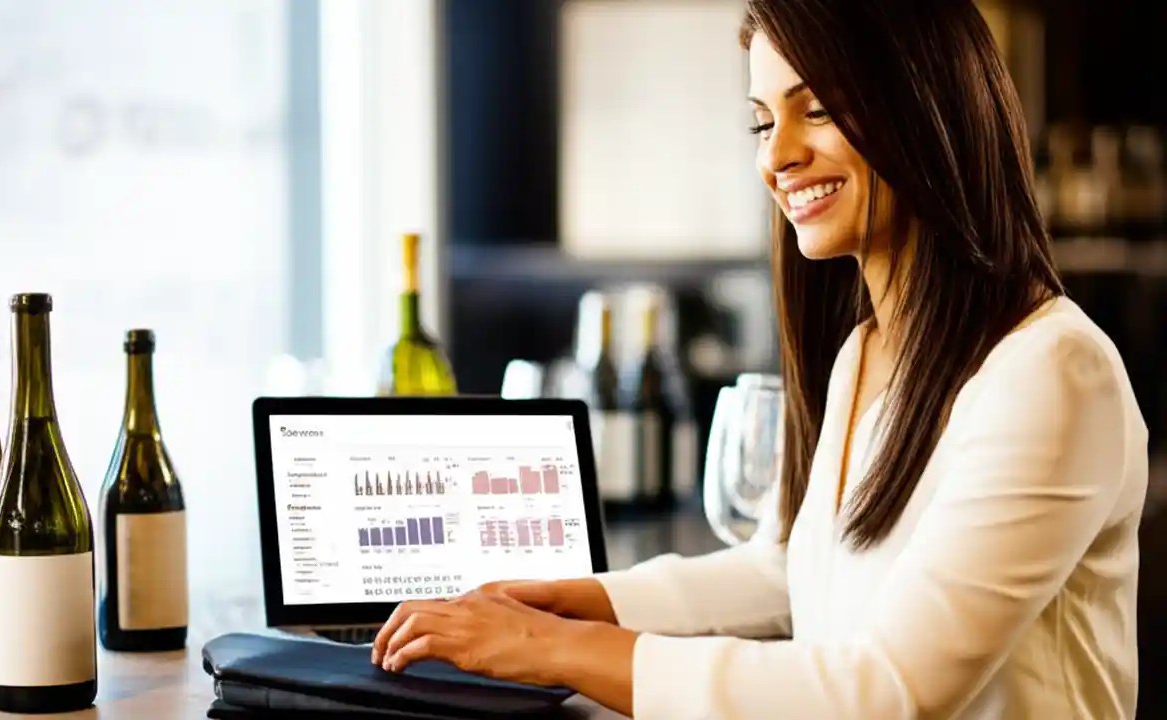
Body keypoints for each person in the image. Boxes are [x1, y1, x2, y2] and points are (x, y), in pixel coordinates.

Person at [370, 1, 1149, 717]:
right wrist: (577, 601)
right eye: (758, 122)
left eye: (815, 109)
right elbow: (790, 572)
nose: (776, 156)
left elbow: (887, 692)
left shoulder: (1051, 369)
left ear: (926, 109)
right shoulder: (866, 352)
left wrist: (554, 650)